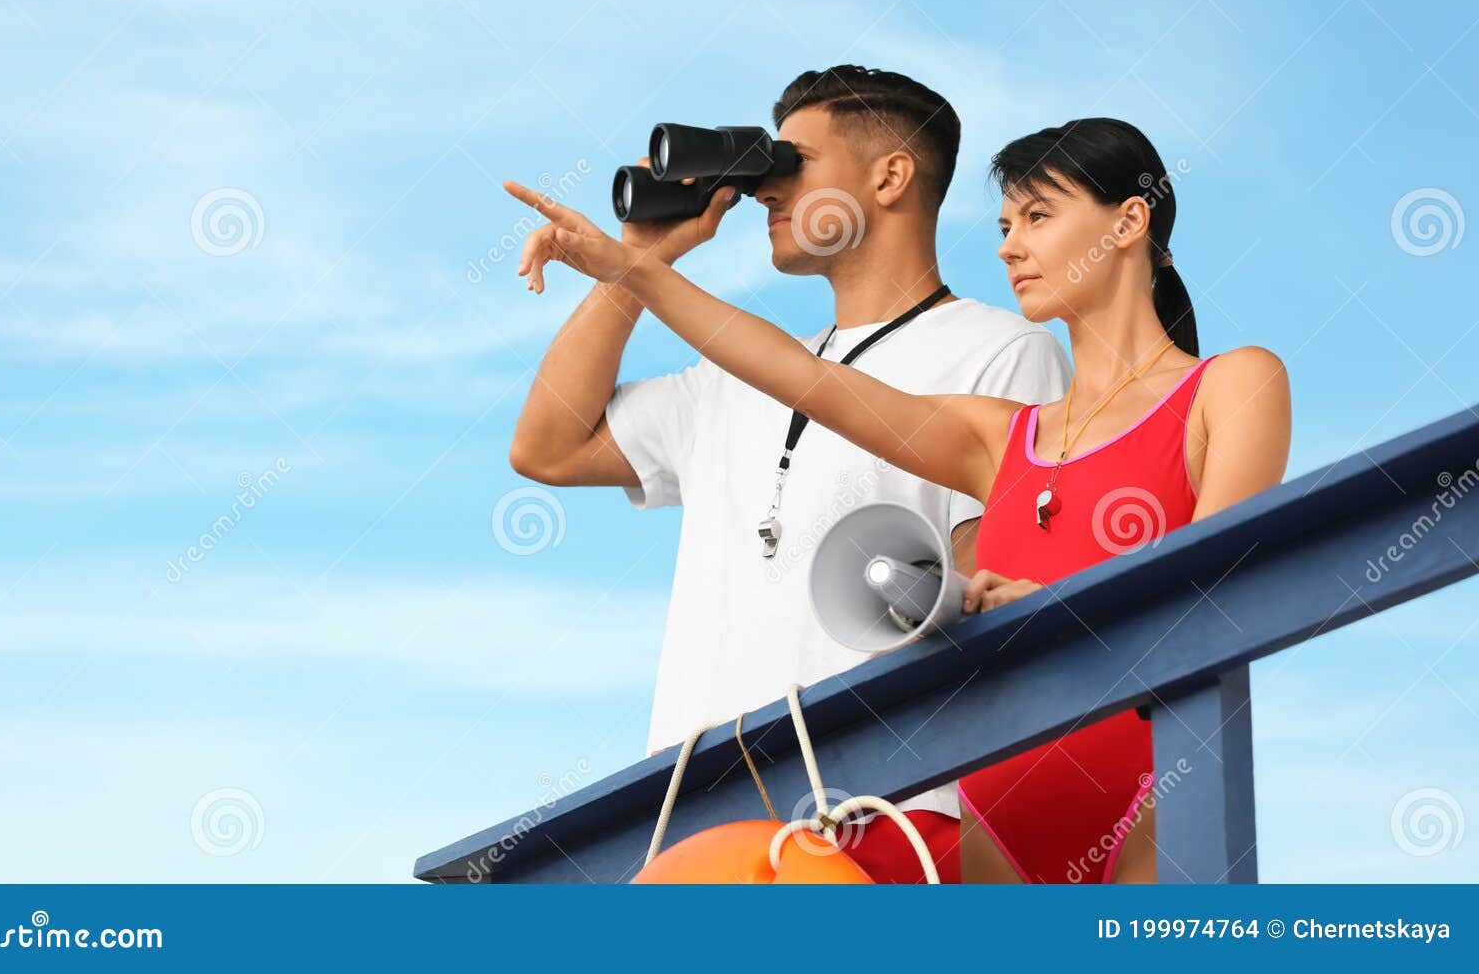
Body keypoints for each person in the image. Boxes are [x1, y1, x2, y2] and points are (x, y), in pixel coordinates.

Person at [509, 116, 1292, 884]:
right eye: (1006, 221)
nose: (1009, 244)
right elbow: (801, 374)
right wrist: (630, 268)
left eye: (1039, 216)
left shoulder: (1233, 384)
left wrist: (1058, 612)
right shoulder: (999, 437)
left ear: (1128, 221)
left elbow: (1214, 596)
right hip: (995, 817)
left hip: (1151, 791)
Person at [505, 67, 1071, 881]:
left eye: (793, 162)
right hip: (694, 831)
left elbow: (993, 588)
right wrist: (639, 264)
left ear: (890, 175)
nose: (767, 187)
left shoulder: (1001, 350)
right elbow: (547, 446)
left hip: (884, 814)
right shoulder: (736, 376)